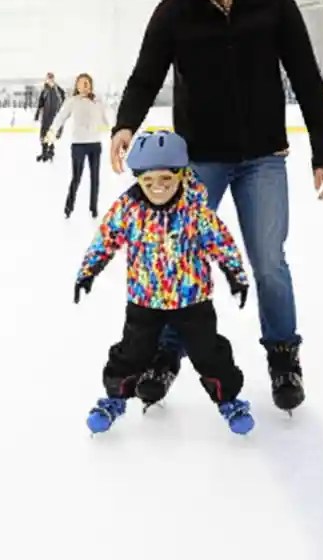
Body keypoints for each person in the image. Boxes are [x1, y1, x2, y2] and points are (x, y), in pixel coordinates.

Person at [107, 0, 323, 414]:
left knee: (268, 263)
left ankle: (283, 358)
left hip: (263, 157)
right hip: (200, 160)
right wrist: (126, 124)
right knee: (178, 257)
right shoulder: (172, 11)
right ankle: (165, 356)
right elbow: (146, 74)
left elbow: (304, 72)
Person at [73, 131, 254, 435]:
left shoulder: (195, 210)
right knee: (131, 352)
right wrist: (89, 271)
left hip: (193, 300)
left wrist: (235, 274)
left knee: (209, 352)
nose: (157, 188)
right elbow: (106, 239)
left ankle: (229, 400)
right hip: (145, 300)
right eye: (148, 181)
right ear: (138, 179)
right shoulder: (128, 208)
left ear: (182, 176)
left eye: (166, 181)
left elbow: (220, 241)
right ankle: (114, 399)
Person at [45, 73, 110, 218]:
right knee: (77, 177)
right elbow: (60, 117)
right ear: (77, 86)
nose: (85, 85)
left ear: (91, 85)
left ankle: (93, 208)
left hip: (95, 144)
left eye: (87, 82)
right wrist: (52, 131)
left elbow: (107, 119)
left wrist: (115, 130)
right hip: (78, 145)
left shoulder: (98, 101)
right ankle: (69, 208)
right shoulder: (72, 101)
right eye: (82, 83)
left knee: (95, 178)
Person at [34, 72, 66, 162]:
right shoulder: (44, 90)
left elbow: (63, 99)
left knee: (52, 134)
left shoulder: (58, 90)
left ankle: (51, 151)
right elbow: (41, 102)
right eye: (48, 78)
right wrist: (37, 113)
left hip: (54, 116)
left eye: (51, 78)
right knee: (43, 134)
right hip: (46, 117)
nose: (50, 80)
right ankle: (44, 151)